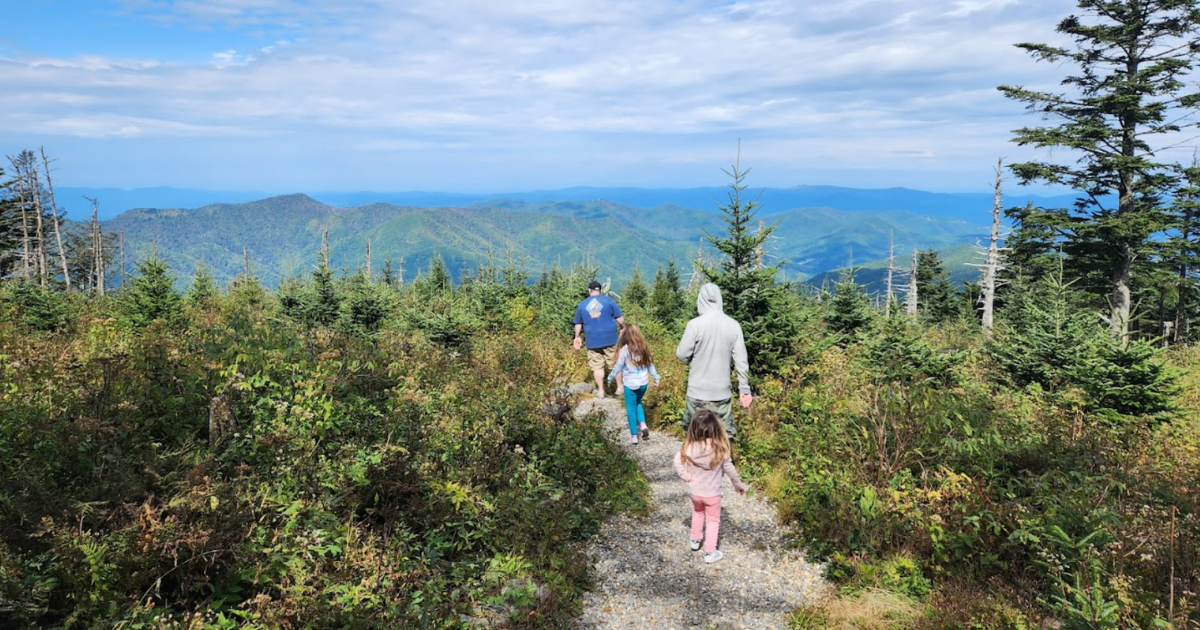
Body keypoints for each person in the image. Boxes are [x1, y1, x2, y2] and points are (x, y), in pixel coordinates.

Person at [675, 283, 752, 436]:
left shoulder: (694, 325)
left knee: (695, 438)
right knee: (722, 439)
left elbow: (681, 355)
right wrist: (744, 388)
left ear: (701, 299)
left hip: (697, 393)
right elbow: (741, 360)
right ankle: (719, 460)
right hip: (721, 394)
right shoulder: (734, 325)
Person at [673, 409, 747, 563]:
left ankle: (695, 540)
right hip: (712, 494)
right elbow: (730, 470)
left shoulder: (688, 447)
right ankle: (709, 552)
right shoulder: (719, 448)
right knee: (713, 520)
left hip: (695, 492)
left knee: (698, 513)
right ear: (715, 428)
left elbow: (677, 462)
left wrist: (687, 477)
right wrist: (738, 485)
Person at [606, 324, 661, 445]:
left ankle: (634, 437)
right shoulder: (643, 348)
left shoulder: (624, 350)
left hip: (630, 384)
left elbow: (618, 367)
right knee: (638, 402)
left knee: (630, 409)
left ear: (625, 336)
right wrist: (656, 377)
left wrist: (610, 378)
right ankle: (643, 425)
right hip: (643, 383)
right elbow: (650, 365)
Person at [573, 280, 625, 398]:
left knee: (597, 366)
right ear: (600, 290)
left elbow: (578, 324)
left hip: (592, 340)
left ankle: (601, 391)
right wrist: (624, 327)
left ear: (589, 290)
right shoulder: (609, 301)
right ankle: (619, 387)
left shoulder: (582, 305)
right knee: (614, 363)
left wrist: (577, 337)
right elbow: (620, 318)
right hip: (610, 338)